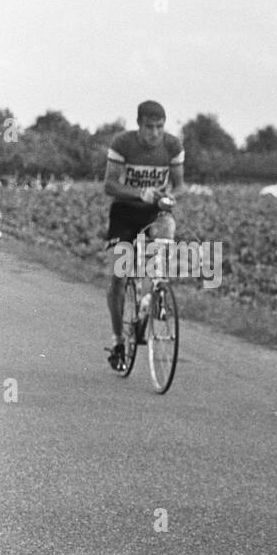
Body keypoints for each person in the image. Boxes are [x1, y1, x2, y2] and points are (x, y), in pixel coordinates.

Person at [103, 100, 185, 370]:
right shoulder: (123, 143)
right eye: (149, 127)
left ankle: (157, 292)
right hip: (125, 213)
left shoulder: (172, 146)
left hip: (155, 212)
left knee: (166, 234)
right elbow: (110, 185)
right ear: (139, 125)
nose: (154, 133)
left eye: (159, 127)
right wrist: (141, 193)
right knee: (118, 276)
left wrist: (170, 197)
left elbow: (180, 185)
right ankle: (118, 341)